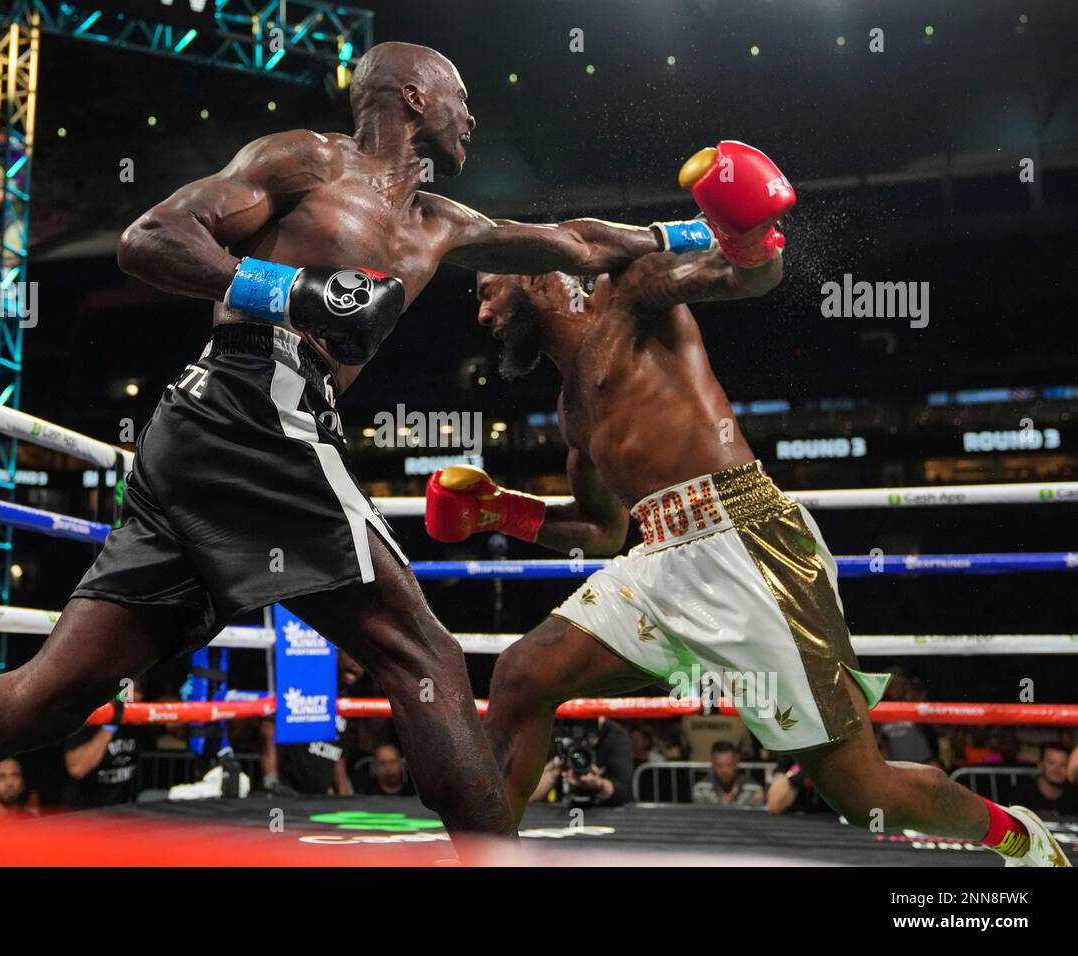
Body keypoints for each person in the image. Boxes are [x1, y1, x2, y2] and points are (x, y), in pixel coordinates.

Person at [0, 41, 691, 843]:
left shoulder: (444, 225)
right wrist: (294, 288)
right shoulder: (309, 162)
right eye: (459, 96)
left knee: (54, 695)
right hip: (252, 403)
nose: (473, 116)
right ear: (414, 97)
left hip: (216, 436)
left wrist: (692, 232)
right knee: (427, 660)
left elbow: (578, 244)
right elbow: (152, 234)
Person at [431, 140, 1069, 865]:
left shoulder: (629, 290)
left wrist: (747, 230)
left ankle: (1020, 837)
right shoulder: (571, 412)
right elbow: (604, 529)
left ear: (537, 277)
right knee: (522, 674)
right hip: (657, 560)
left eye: (486, 290)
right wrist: (499, 512)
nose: (481, 316)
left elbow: (746, 277)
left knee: (862, 791)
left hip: (748, 543)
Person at [260, 650, 364, 795]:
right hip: (287, 790)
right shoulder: (306, 685)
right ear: (335, 654)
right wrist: (271, 782)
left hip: (318, 799)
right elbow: (268, 731)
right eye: (351, 656)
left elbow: (336, 753)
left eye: (362, 661)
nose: (356, 665)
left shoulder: (344, 703)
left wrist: (343, 793)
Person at [529, 717, 633, 808]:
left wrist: (598, 784)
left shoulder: (615, 737)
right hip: (558, 811)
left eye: (590, 722)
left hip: (603, 811)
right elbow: (527, 798)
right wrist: (554, 770)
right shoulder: (557, 736)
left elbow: (624, 792)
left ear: (602, 717)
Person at [1009, 743, 1078, 821]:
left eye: (1063, 764)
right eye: (1051, 763)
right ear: (1040, 765)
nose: (1057, 769)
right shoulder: (1022, 792)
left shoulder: (1074, 794)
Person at [692, 741, 765, 807]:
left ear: (736, 764)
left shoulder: (753, 788)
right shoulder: (701, 788)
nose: (724, 770)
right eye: (719, 765)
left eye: (728, 765)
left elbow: (755, 817)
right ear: (713, 765)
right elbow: (703, 817)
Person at [0, 758, 37, 823]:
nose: (10, 783)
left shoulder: (31, 821)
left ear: (22, 784)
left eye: (15, 776)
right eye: (1, 777)